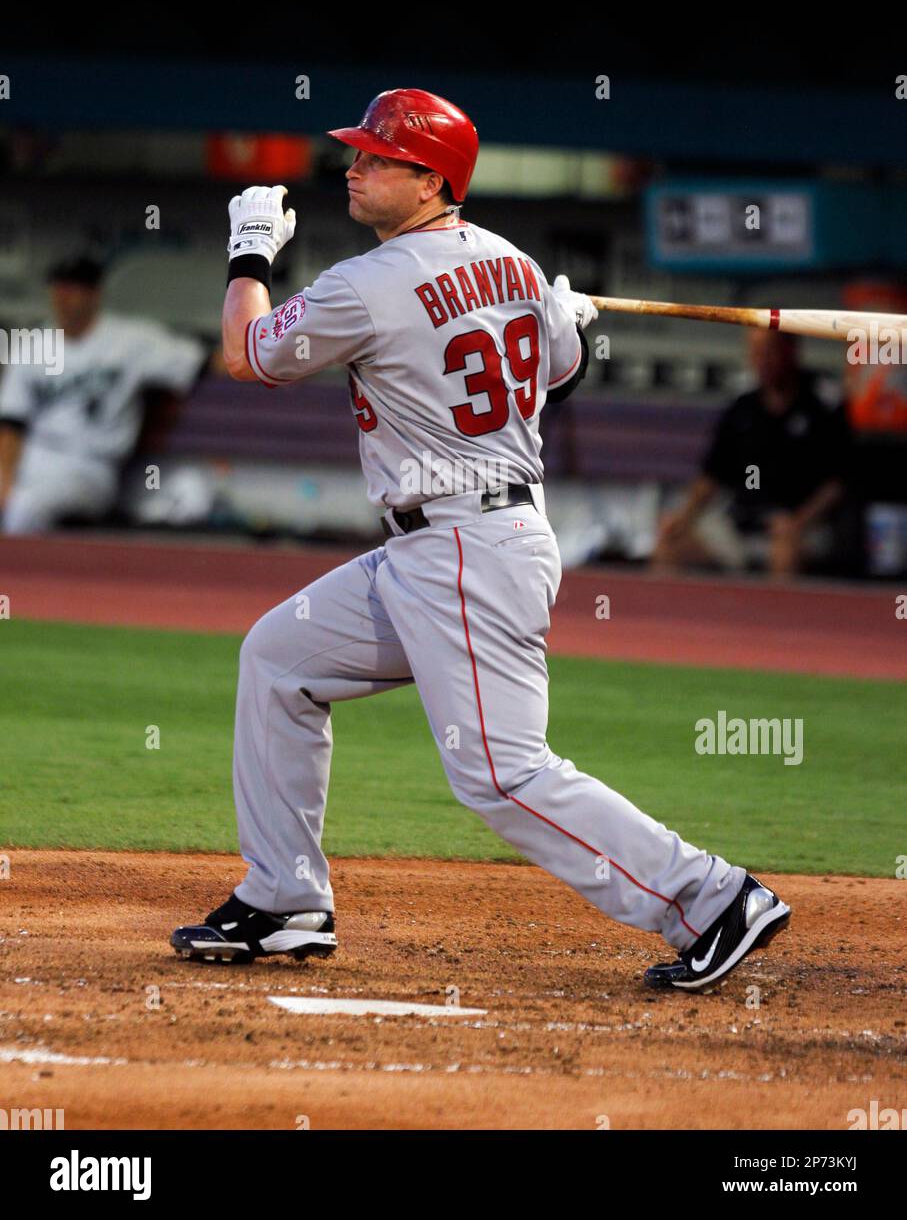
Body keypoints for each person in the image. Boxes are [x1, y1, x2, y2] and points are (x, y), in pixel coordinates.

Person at [171, 88, 791, 991]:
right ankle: (283, 899)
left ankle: (709, 896)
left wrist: (249, 250)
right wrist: (563, 319)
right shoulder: (515, 265)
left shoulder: (367, 283)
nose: (355, 167)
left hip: (462, 549)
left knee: (499, 774)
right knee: (278, 658)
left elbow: (246, 352)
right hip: (454, 542)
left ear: (431, 180)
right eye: (360, 152)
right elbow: (554, 379)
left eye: (378, 158)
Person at [0, 256, 213, 534]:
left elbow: (201, 361)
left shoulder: (130, 340)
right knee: (19, 502)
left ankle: (19, 579)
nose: (63, 296)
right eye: (58, 287)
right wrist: (4, 478)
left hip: (90, 466)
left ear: (93, 294)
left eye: (72, 288)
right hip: (34, 457)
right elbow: (12, 423)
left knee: (26, 507)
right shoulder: (33, 345)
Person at [652, 327, 853, 577]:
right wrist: (683, 519)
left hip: (802, 527)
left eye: (770, 351)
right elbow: (712, 476)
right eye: (756, 353)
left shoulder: (823, 403)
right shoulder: (743, 407)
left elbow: (838, 484)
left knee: (784, 552)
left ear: (791, 350)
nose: (763, 361)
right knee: (671, 544)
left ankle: (777, 616)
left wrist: (797, 523)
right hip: (741, 525)